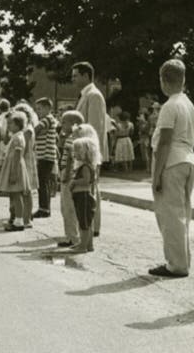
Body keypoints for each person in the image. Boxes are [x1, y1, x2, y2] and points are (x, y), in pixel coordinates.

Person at [148, 59, 194, 278]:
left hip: (172, 161)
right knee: (182, 213)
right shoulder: (189, 105)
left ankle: (176, 265)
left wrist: (157, 175)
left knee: (170, 216)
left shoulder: (170, 106)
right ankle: (182, 260)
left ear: (164, 80)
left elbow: (165, 142)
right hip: (188, 159)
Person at [72, 61, 107, 237]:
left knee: (92, 188)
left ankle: (93, 227)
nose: (73, 79)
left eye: (75, 75)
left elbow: (95, 128)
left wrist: (90, 156)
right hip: (82, 152)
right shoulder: (84, 95)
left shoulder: (94, 96)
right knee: (88, 189)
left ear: (86, 75)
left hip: (89, 153)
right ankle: (88, 226)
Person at [56, 110, 84, 248]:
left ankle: (72, 237)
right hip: (72, 174)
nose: (61, 125)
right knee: (68, 208)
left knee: (67, 208)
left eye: (64, 122)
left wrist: (66, 175)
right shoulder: (74, 137)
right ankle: (72, 236)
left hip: (68, 174)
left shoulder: (72, 139)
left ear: (73, 124)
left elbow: (69, 159)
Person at [0, 112, 29, 231]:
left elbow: (17, 154)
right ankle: (17, 219)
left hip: (15, 167)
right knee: (15, 194)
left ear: (18, 124)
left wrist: (14, 172)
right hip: (13, 166)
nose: (9, 125)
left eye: (11, 123)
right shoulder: (15, 136)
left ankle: (19, 221)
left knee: (17, 194)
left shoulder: (18, 137)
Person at [69, 137, 98, 253]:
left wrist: (74, 182)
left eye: (75, 150)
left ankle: (83, 246)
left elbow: (86, 180)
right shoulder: (87, 166)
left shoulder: (85, 167)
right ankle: (88, 244)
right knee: (87, 222)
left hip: (83, 196)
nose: (73, 153)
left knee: (83, 223)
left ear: (83, 152)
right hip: (82, 196)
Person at [33, 98, 58, 218]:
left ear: (48, 108)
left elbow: (35, 130)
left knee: (42, 183)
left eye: (40, 108)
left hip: (45, 155)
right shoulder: (47, 119)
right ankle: (45, 208)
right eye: (37, 109)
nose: (38, 111)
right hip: (45, 155)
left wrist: (35, 134)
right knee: (44, 182)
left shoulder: (47, 118)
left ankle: (43, 209)